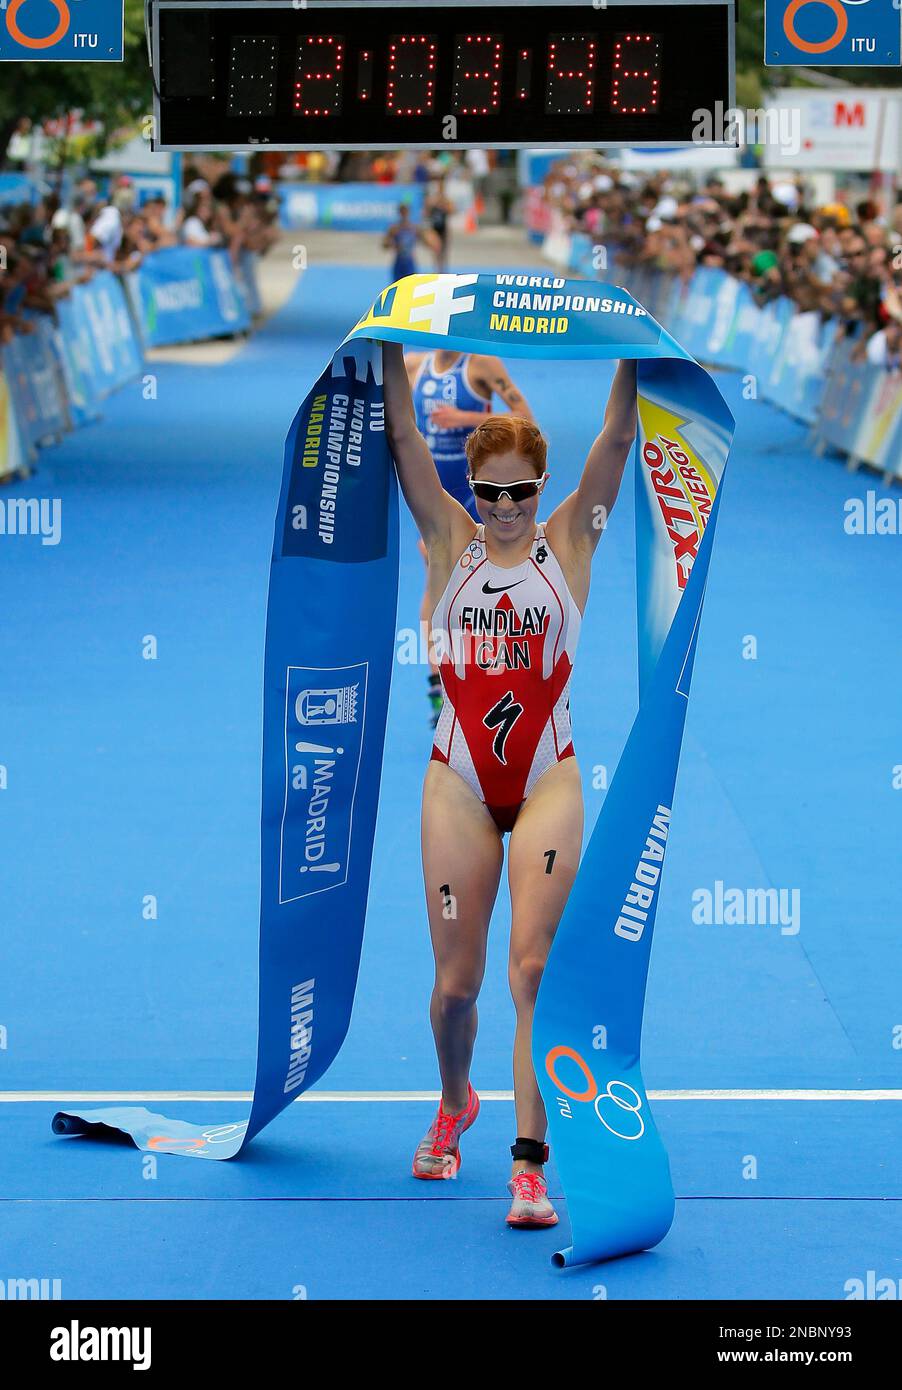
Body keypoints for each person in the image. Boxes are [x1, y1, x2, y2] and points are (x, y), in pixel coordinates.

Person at [383, 342, 638, 1228]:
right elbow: (408, 444)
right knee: (458, 986)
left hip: (546, 782)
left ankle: (529, 1166)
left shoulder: (568, 543)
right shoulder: (447, 539)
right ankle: (457, 1100)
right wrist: (387, 341)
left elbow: (615, 439)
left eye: (517, 492)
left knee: (532, 969)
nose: (500, 508)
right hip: (457, 780)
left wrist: (635, 353)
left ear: (540, 487)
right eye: (487, 492)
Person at [407, 348, 535, 726]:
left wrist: (464, 418)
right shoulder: (415, 364)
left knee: (479, 583)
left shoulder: (481, 364)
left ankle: (489, 675)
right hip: (432, 492)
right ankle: (437, 684)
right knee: (436, 579)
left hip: (474, 492)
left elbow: (525, 420)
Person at [383, 202, 436, 282]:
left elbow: (426, 242)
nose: (404, 214)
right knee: (397, 285)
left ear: (408, 213)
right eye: (402, 212)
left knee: (411, 285)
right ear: (400, 213)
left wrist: (431, 243)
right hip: (399, 262)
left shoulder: (414, 228)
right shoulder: (394, 228)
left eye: (405, 212)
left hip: (410, 262)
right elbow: (384, 245)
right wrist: (392, 243)